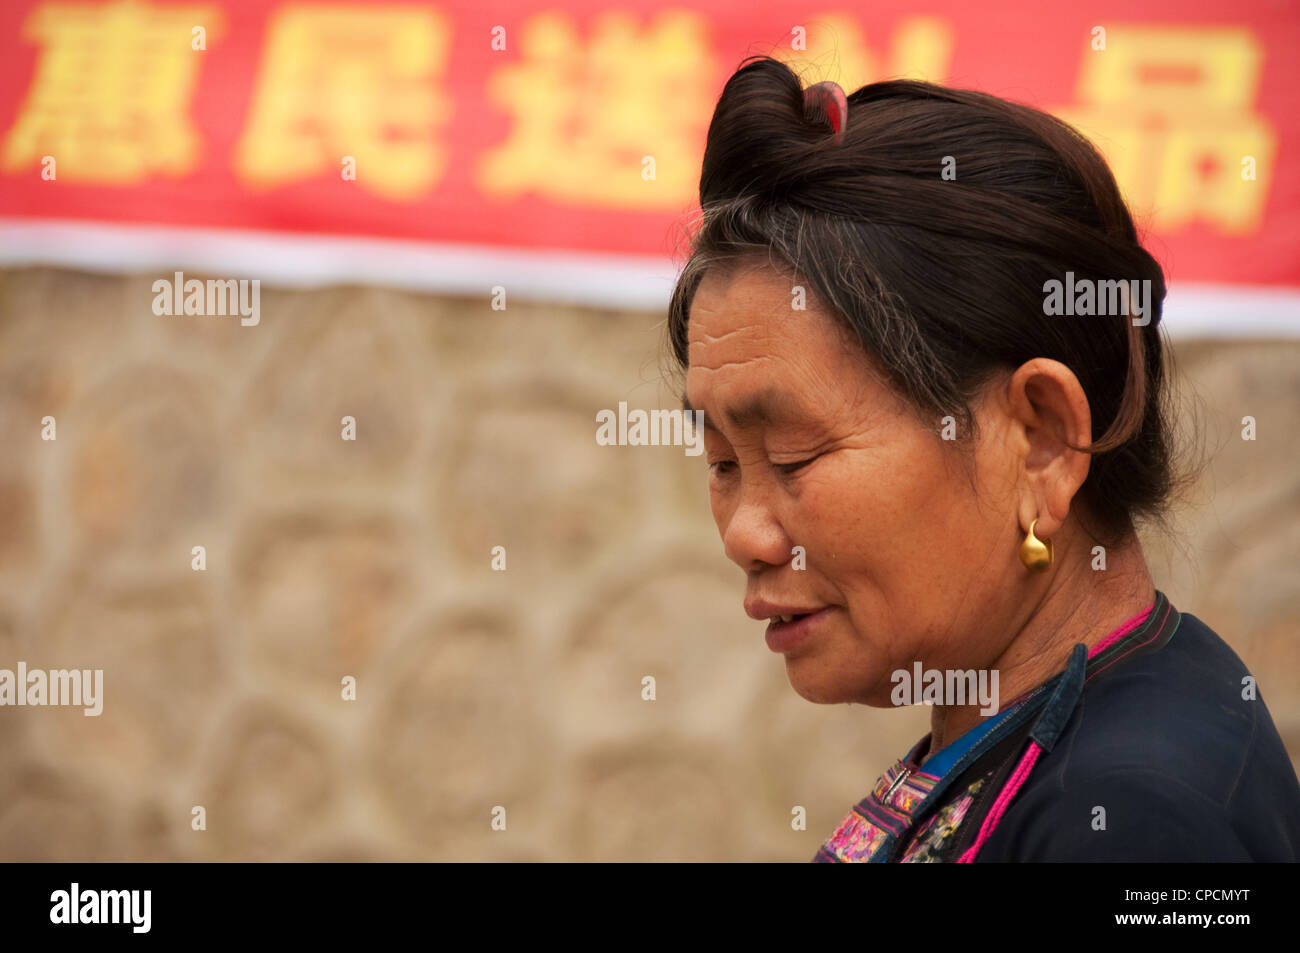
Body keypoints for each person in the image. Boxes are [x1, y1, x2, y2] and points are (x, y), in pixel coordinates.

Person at [665, 55, 1300, 861]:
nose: (745, 534)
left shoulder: (1134, 817)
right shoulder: (1027, 735)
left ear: (1038, 439)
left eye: (794, 455)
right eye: (723, 462)